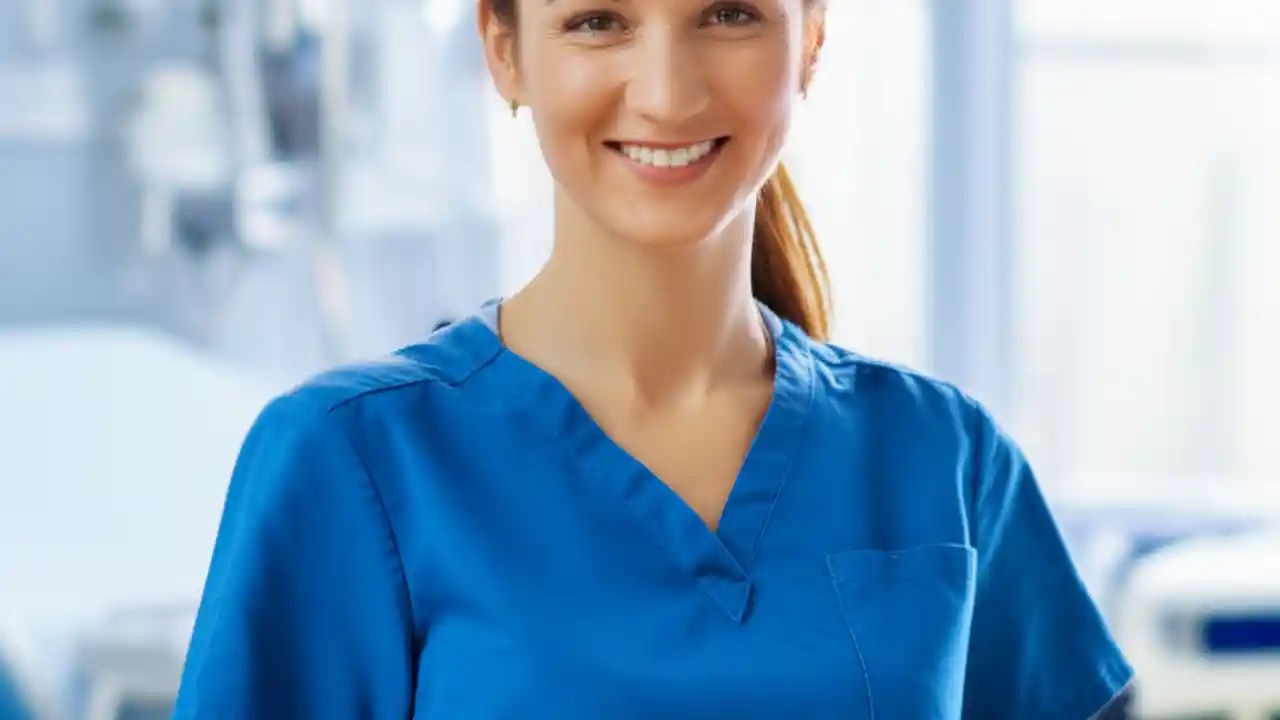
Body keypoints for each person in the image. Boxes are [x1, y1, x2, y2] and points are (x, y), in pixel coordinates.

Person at [172, 0, 1134, 717]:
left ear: (811, 38)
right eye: (598, 21)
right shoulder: (354, 462)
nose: (669, 92)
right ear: (505, 51)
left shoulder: (943, 459)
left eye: (728, 14)